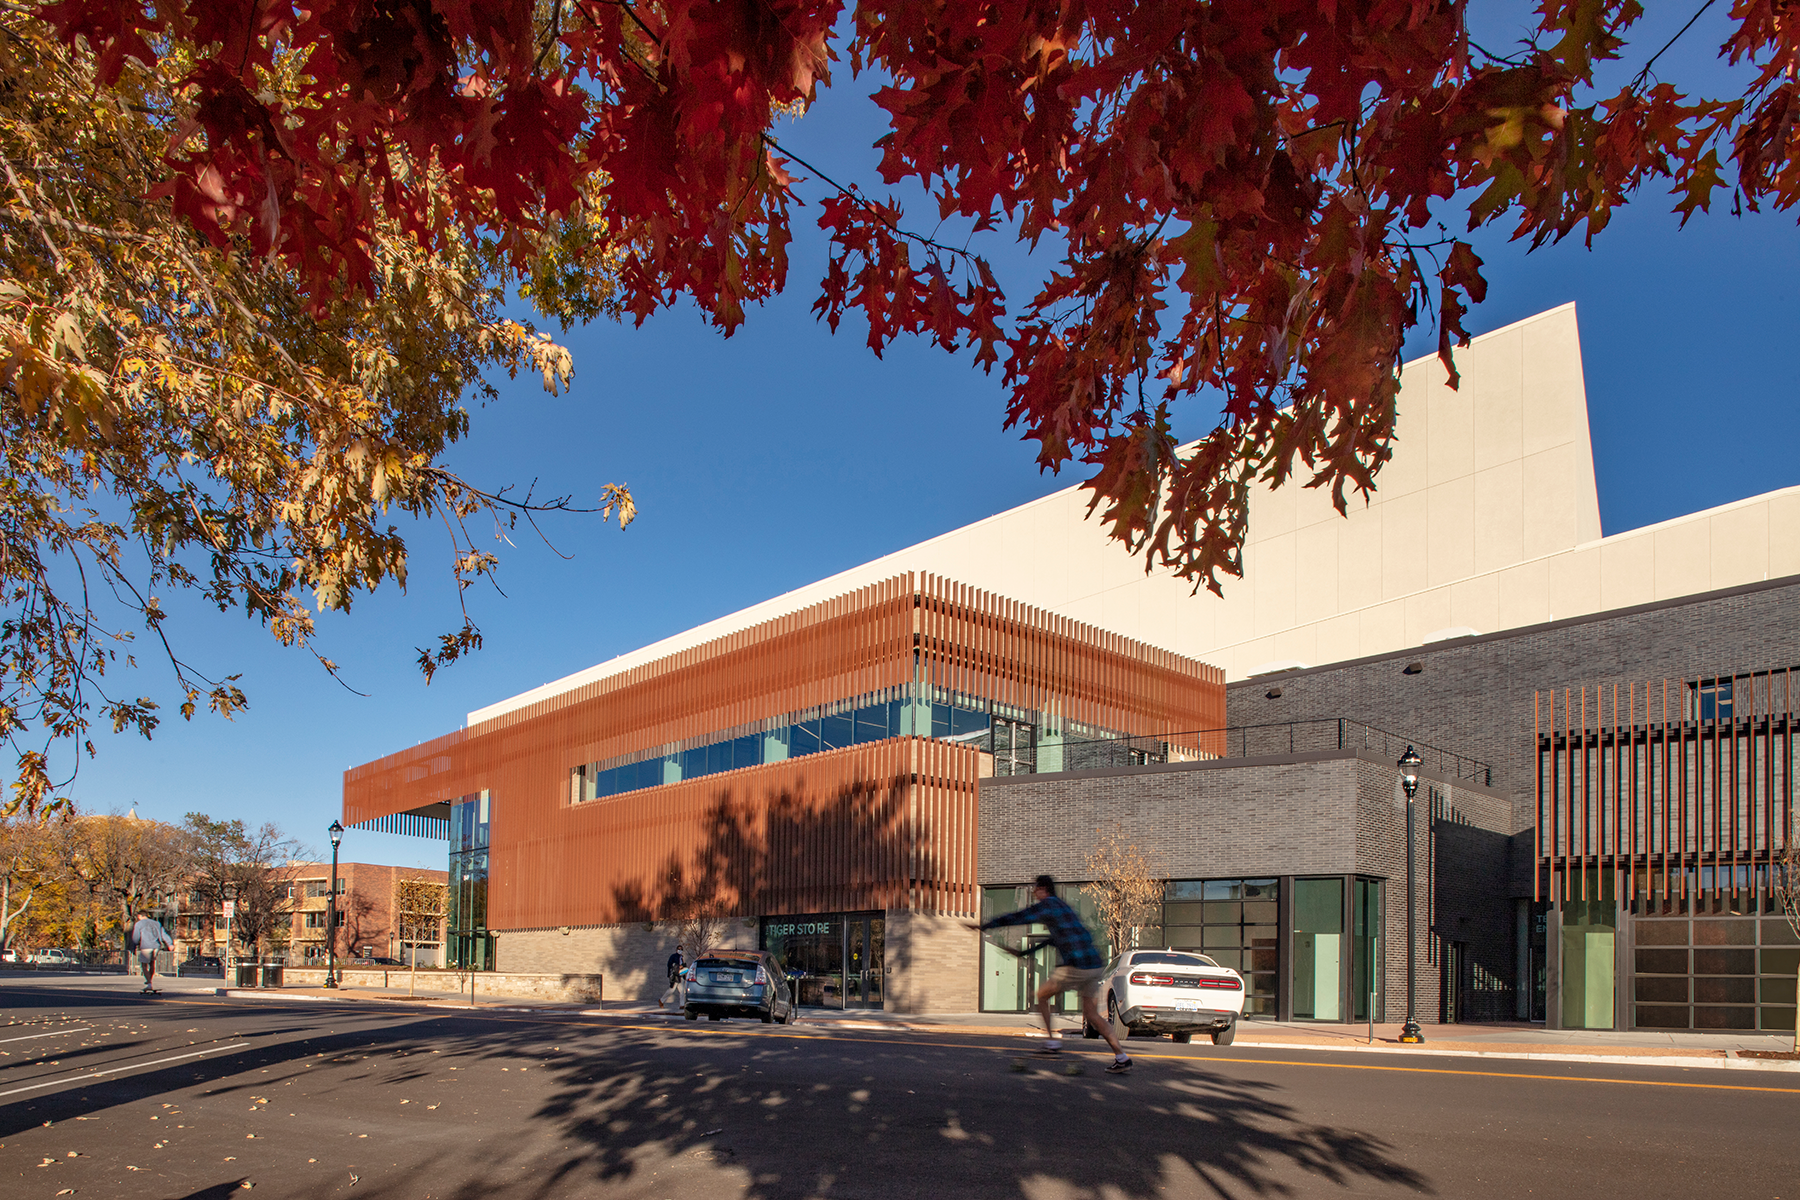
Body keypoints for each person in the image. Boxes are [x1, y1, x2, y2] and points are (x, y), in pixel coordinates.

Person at [967, 875, 1132, 1073]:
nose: (1034, 893)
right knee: (1092, 1015)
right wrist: (1024, 953)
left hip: (1075, 965)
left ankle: (1052, 1044)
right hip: (1094, 965)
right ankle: (1122, 1057)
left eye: (1035, 889)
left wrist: (984, 926)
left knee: (1041, 996)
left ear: (1043, 889)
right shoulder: (1064, 908)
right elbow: (1053, 939)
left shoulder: (1048, 905)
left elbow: (1019, 917)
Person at [127, 910, 172, 994]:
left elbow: (135, 937)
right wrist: (169, 944)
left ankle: (149, 982)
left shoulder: (139, 924)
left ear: (139, 916)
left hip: (146, 946)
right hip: (156, 946)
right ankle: (149, 981)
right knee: (152, 964)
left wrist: (133, 947)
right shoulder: (156, 923)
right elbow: (163, 934)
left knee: (144, 965)